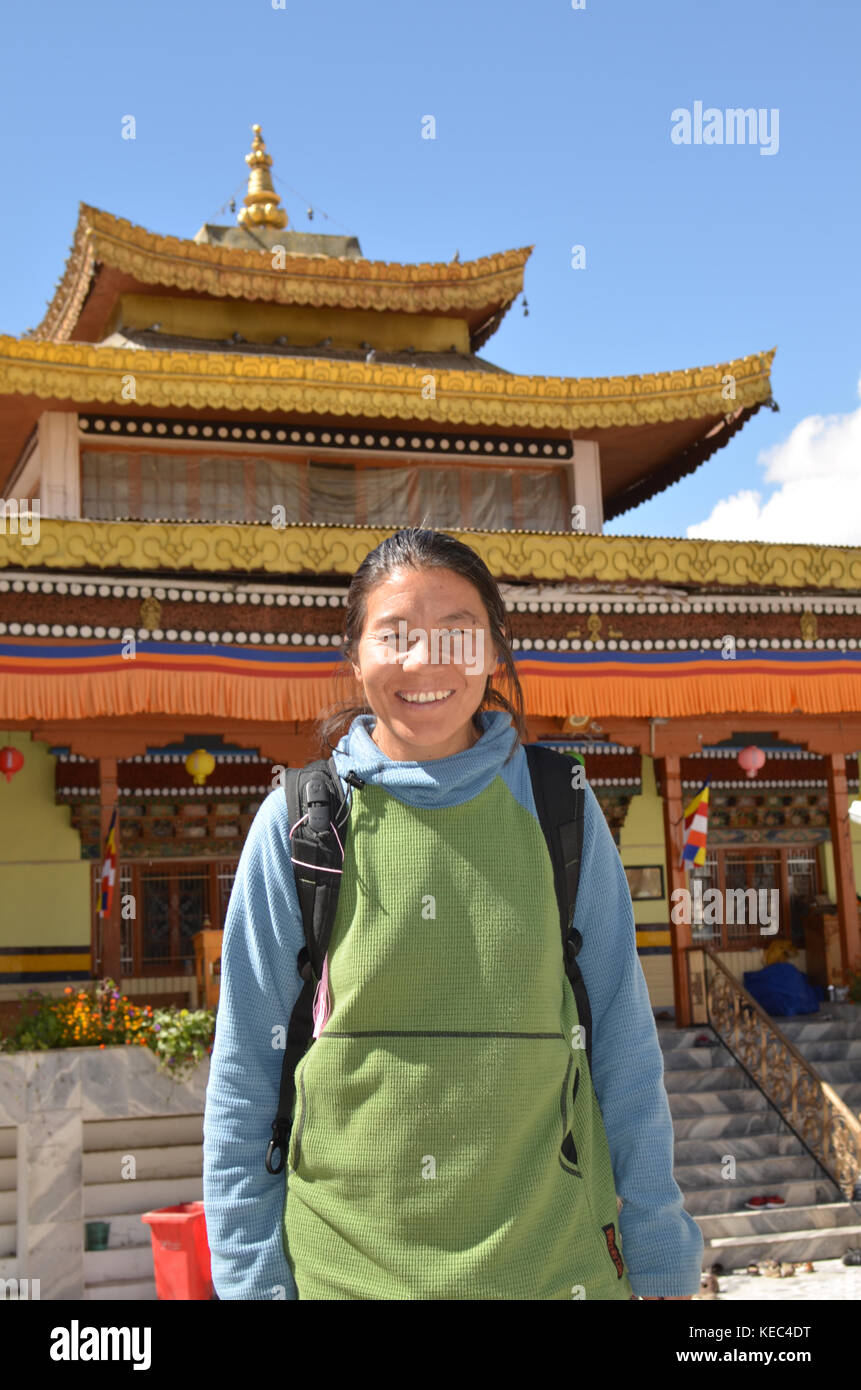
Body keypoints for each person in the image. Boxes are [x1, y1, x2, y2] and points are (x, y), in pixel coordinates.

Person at [203, 527, 702, 1300]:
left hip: (554, 1266)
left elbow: (624, 1046)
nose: (424, 662)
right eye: (394, 635)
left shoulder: (558, 807)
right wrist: (251, 1284)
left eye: (456, 635)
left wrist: (661, 1255)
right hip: (345, 1275)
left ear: (494, 655)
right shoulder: (302, 824)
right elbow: (244, 1072)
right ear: (354, 655)